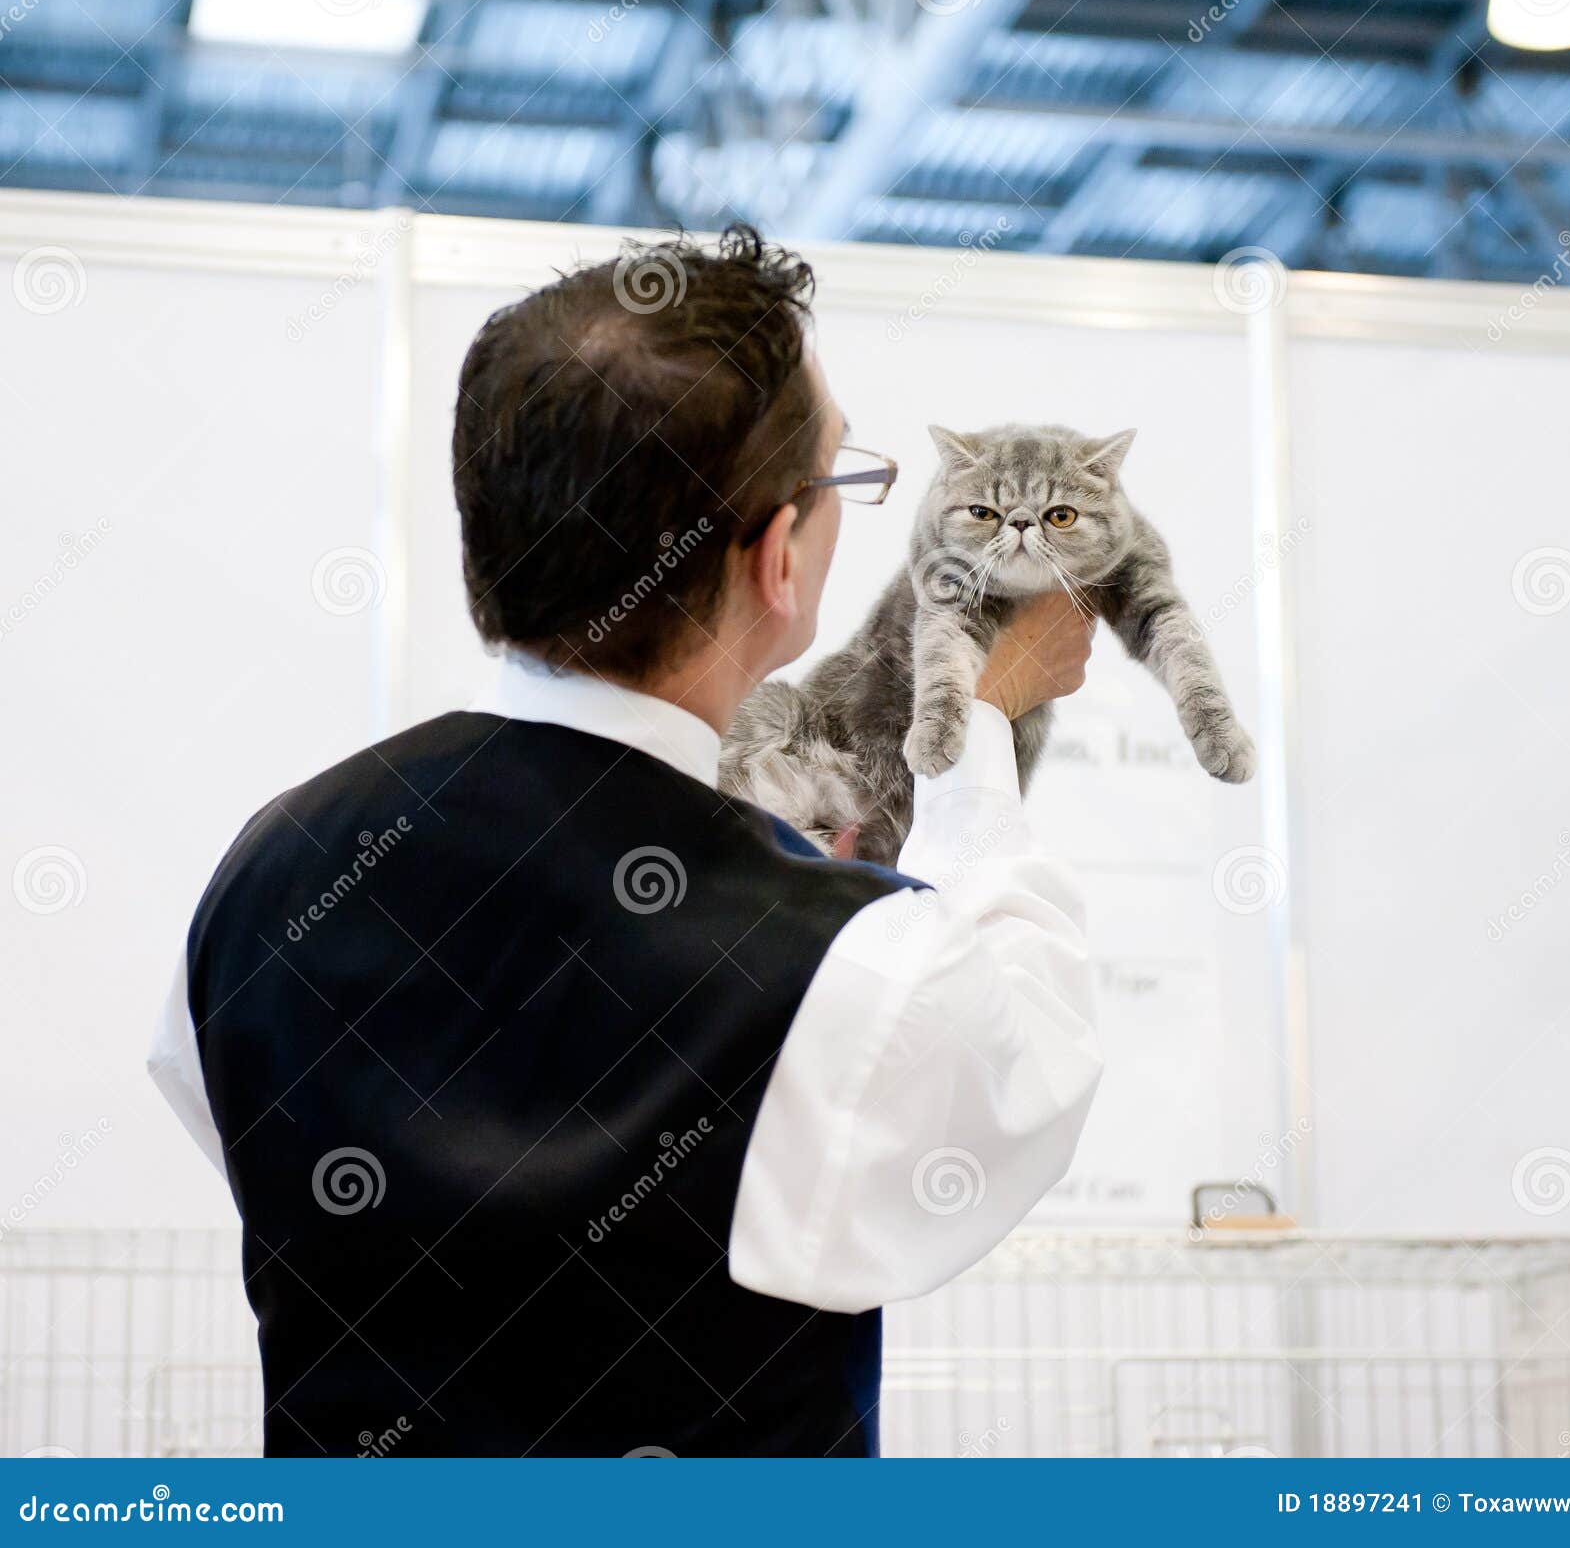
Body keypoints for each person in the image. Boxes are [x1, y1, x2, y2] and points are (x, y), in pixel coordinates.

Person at [149, 226, 1102, 1458]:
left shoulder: (262, 875)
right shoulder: (847, 961)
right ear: (776, 559)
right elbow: (1027, 1052)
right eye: (837, 484)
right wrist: (970, 718)